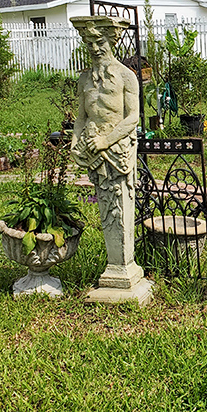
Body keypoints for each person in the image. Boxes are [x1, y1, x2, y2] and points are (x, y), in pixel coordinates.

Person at [70, 16, 149, 301]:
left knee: (119, 204)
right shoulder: (84, 79)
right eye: (89, 43)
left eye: (99, 42)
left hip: (116, 149)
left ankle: (125, 268)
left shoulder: (127, 76)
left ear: (111, 42)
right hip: (93, 150)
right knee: (106, 205)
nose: (94, 48)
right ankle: (114, 267)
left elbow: (133, 117)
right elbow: (81, 117)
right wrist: (75, 141)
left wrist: (106, 140)